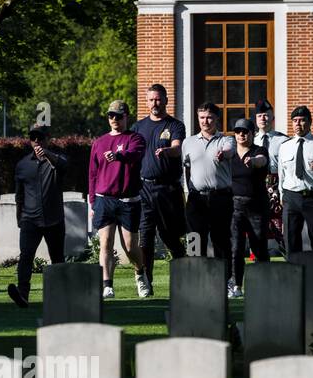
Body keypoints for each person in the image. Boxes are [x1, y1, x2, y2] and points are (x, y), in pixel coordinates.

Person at [87, 100, 146, 300]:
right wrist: (93, 202)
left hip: (129, 200)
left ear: (126, 117)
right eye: (111, 115)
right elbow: (92, 174)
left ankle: (140, 273)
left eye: (118, 116)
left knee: (130, 247)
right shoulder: (99, 142)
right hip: (105, 199)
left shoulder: (135, 138)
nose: (114, 119)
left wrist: (118, 156)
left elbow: (134, 155)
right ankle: (107, 285)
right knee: (105, 243)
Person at [131, 84, 187, 296]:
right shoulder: (138, 127)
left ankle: (185, 277)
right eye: (151, 100)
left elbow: (177, 148)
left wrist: (167, 151)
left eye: (158, 99)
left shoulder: (175, 125)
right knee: (144, 238)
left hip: (167, 189)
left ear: (165, 100)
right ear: (147, 102)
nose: (154, 104)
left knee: (171, 237)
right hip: (143, 188)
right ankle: (147, 283)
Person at [8, 124, 69, 308]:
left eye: (40, 138)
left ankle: (60, 297)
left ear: (47, 139)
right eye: (33, 138)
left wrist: (47, 155)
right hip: (30, 219)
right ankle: (22, 294)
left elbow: (63, 166)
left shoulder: (56, 161)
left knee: (57, 259)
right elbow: (19, 194)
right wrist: (19, 217)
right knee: (26, 257)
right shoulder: (22, 165)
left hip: (54, 219)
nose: (36, 141)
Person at [276, 105, 313, 253]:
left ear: (309, 122)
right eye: (295, 120)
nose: (298, 124)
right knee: (290, 240)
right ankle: (294, 274)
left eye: (302, 120)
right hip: (291, 197)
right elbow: (281, 175)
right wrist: (282, 197)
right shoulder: (285, 146)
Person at [181, 102, 234, 266]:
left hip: (221, 198)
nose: (205, 121)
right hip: (196, 198)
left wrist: (222, 154)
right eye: (202, 117)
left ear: (216, 119)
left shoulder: (226, 140)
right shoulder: (188, 142)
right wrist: (189, 190)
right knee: (195, 239)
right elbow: (187, 168)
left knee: (221, 239)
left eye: (210, 117)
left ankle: (227, 281)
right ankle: (195, 276)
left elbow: (230, 152)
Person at [226, 117, 269, 297]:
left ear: (252, 133)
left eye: (245, 131)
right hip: (235, 206)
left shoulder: (259, 151)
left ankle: (264, 283)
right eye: (238, 132)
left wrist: (253, 162)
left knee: (258, 246)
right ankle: (236, 285)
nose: (241, 135)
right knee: (236, 248)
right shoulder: (230, 154)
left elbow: (262, 160)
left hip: (256, 205)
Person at [253, 99, 287, 246]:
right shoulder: (251, 139)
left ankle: (283, 250)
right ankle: (257, 254)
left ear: (272, 118)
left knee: (279, 220)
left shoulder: (283, 140)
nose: (263, 118)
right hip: (256, 183)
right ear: (255, 119)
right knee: (257, 219)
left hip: (277, 183)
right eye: (260, 115)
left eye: (266, 115)